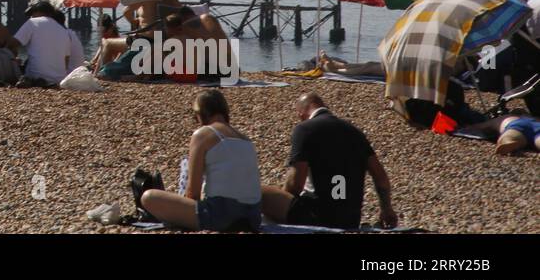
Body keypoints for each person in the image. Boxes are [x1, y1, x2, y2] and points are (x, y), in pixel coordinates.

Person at [260, 92, 398, 229]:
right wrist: (386, 209)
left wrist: (282, 196)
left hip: (316, 217)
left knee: (259, 193)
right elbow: (380, 177)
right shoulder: (355, 132)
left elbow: (295, 185)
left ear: (301, 114)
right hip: (350, 220)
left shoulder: (305, 130)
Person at [140, 89, 262, 232]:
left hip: (221, 216)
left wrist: (183, 208)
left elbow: (193, 192)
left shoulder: (203, 134)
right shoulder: (246, 140)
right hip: (253, 218)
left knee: (149, 197)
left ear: (202, 113)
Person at [11, 1, 73, 86]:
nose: (31, 16)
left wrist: (15, 55)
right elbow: (66, 61)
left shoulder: (32, 22)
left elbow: (12, 44)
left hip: (35, 77)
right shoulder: (64, 31)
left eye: (32, 14)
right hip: (59, 80)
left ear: (38, 12)